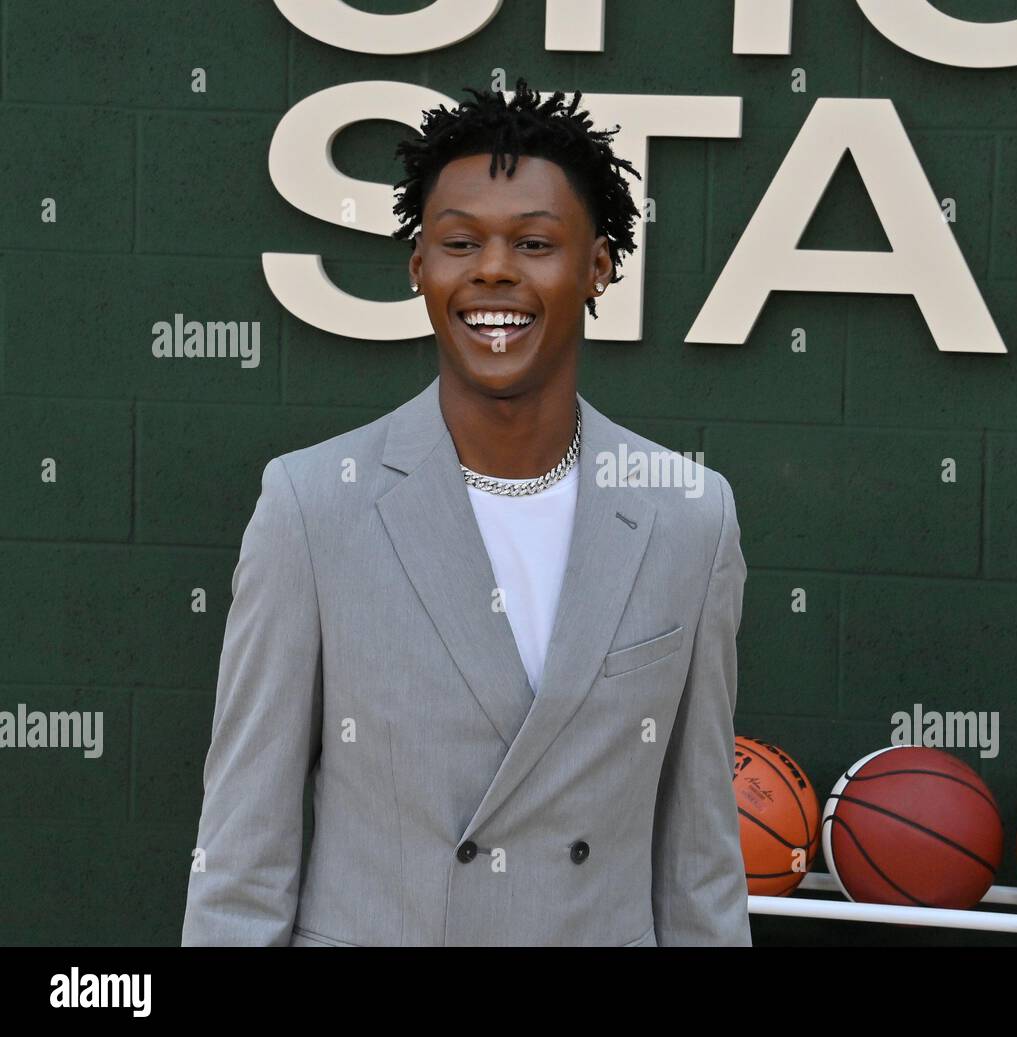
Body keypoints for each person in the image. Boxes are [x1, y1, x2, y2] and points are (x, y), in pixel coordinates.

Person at [181, 79, 751, 947]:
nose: (493, 269)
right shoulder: (312, 506)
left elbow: (700, 862)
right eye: (459, 241)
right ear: (420, 268)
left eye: (533, 241)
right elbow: (241, 861)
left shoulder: (690, 516)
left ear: (597, 265)